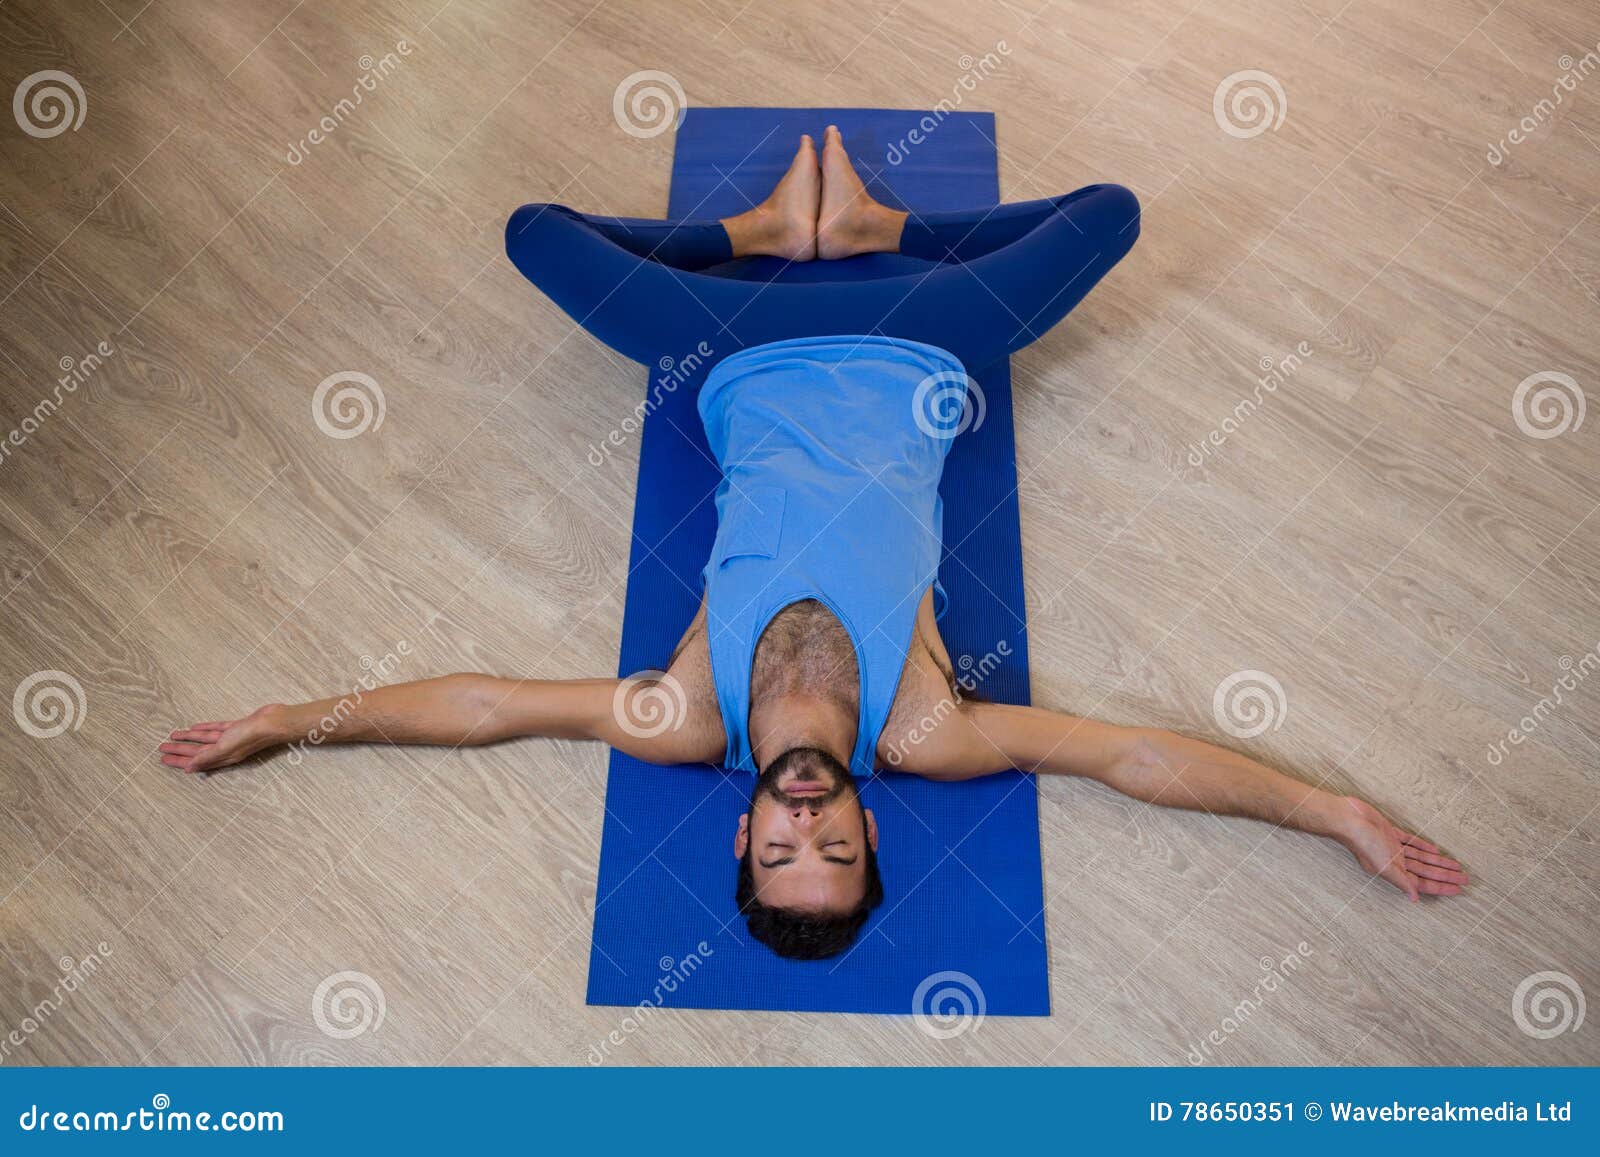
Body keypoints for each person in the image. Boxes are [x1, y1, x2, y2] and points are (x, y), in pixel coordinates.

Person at [160, 128, 1466, 960]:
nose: (805, 828)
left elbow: (490, 704)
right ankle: (875, 233)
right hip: (928, 345)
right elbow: (1128, 755)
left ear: (740, 837)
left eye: (783, 852)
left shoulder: (680, 712)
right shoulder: (926, 730)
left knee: (532, 235)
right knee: (1112, 210)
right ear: (866, 833)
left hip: (732, 356)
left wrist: (293, 715)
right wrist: (1326, 811)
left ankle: (767, 236)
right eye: (835, 851)